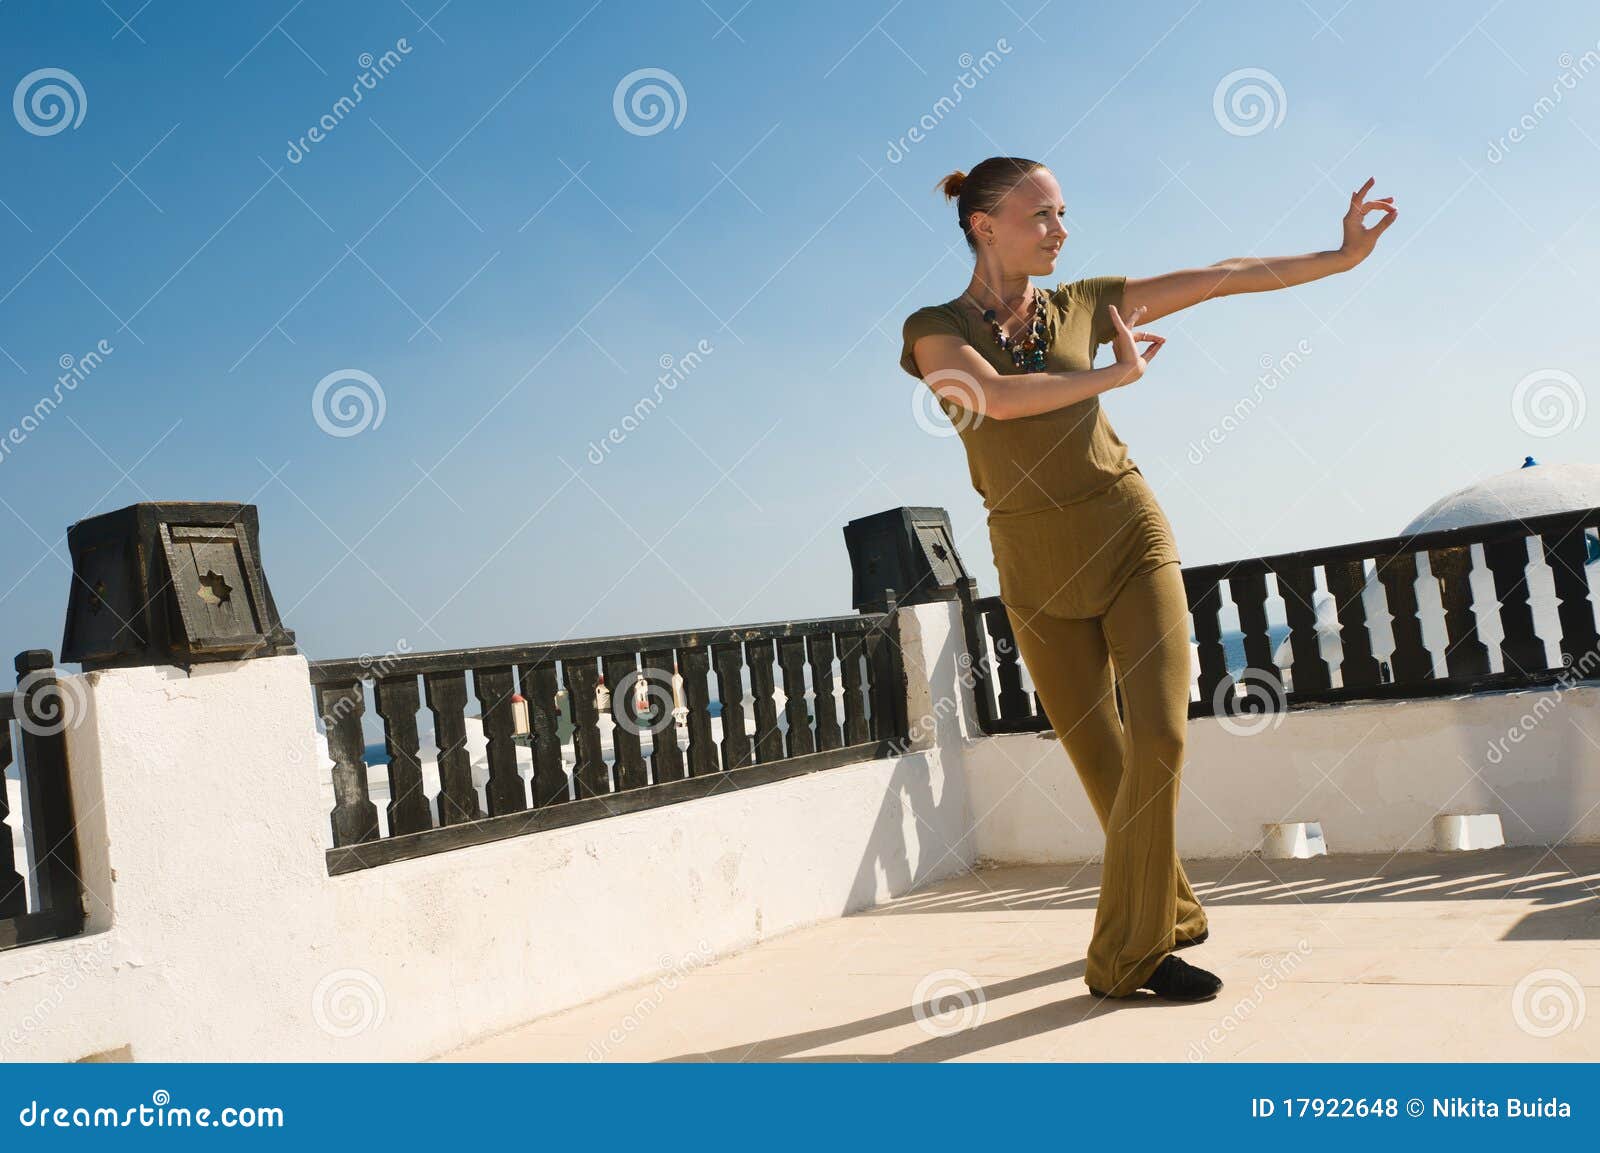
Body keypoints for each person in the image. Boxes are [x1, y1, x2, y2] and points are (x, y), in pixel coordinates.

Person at [899, 156, 1395, 1001]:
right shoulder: (931, 329)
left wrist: (1337, 257)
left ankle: (1127, 957)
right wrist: (1113, 377)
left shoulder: (1085, 302)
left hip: (1126, 529)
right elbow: (992, 400)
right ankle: (1171, 910)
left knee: (1161, 737)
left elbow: (1219, 278)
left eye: (1063, 213)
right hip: (1032, 559)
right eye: (1042, 216)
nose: (1061, 230)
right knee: (1104, 764)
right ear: (984, 225)